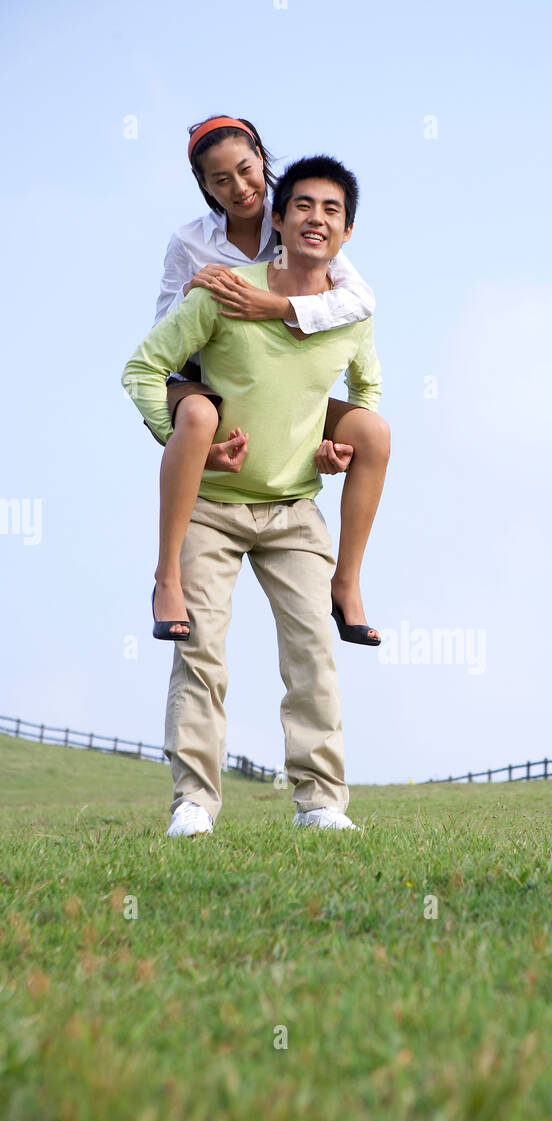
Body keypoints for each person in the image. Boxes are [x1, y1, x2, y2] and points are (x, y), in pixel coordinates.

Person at [122, 156, 381, 836]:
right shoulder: (223, 290)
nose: (315, 218)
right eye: (301, 206)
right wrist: (179, 437)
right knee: (201, 650)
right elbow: (143, 368)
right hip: (211, 505)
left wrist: (341, 447)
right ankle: (194, 804)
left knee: (312, 655)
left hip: (295, 509)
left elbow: (368, 391)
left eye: (330, 209)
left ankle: (321, 803)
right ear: (277, 216)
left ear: (347, 231)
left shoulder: (348, 314)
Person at [150, 115, 389, 645]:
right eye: (220, 181)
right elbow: (163, 341)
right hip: (204, 379)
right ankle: (167, 577)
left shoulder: (297, 216)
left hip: (285, 382)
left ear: (261, 158)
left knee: (373, 433)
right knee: (199, 413)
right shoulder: (189, 241)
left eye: (246, 169)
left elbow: (358, 300)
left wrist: (274, 306)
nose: (240, 189)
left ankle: (346, 582)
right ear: (203, 186)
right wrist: (196, 291)